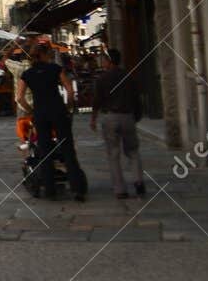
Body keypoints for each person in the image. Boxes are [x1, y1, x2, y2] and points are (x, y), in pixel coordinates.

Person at [19, 42, 88, 201]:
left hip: (41, 115)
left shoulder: (27, 74)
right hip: (58, 112)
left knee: (44, 151)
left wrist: (31, 110)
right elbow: (70, 90)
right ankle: (77, 188)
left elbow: (19, 98)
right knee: (68, 150)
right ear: (44, 54)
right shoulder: (55, 69)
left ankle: (50, 190)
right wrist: (69, 107)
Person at [91, 47, 145, 199]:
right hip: (128, 116)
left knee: (113, 154)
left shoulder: (102, 79)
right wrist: (136, 116)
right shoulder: (129, 76)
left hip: (110, 117)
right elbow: (137, 99)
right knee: (133, 151)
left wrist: (93, 118)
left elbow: (97, 101)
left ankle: (120, 189)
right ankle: (138, 181)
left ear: (108, 61)